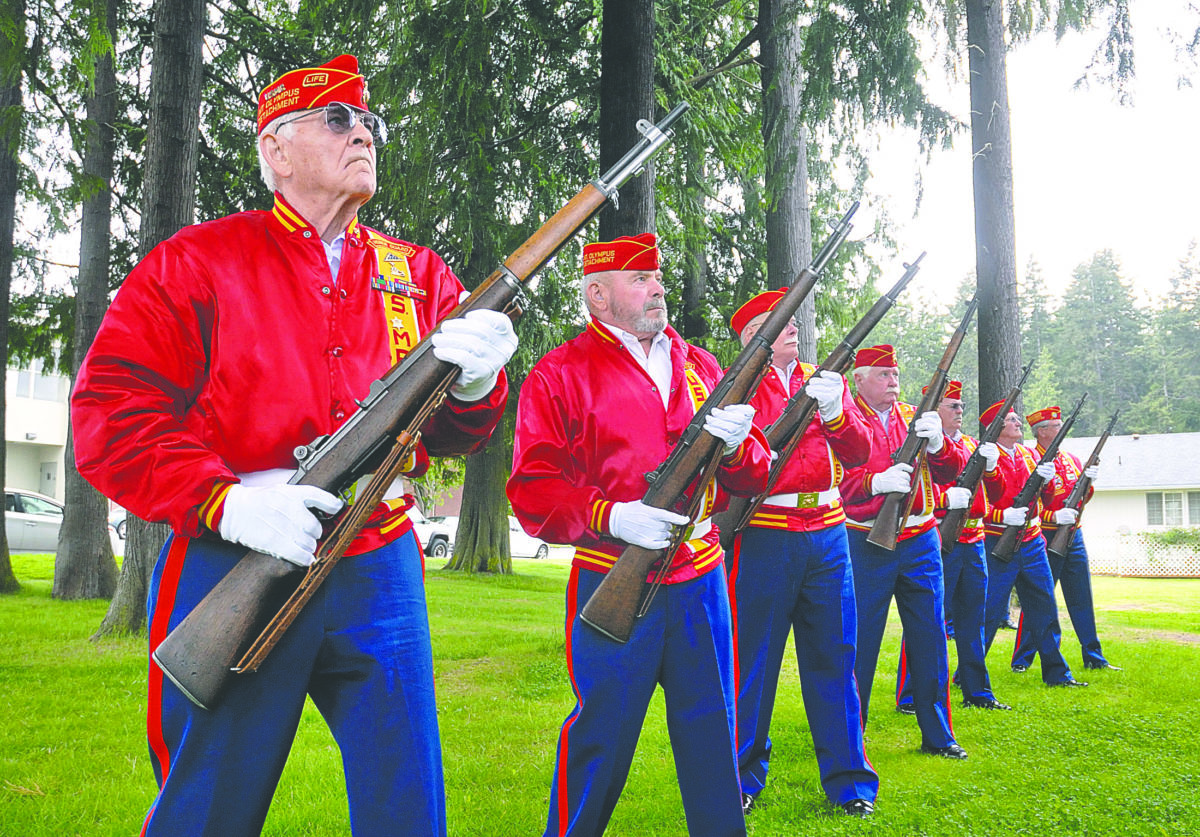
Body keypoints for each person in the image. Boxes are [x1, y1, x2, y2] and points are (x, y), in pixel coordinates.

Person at [71, 55, 517, 836]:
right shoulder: (196, 263)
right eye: (338, 119)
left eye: (370, 122)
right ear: (276, 151)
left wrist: (480, 386)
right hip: (234, 555)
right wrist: (228, 499)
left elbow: (450, 430)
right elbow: (110, 413)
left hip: (379, 557)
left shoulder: (415, 274)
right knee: (209, 801)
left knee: (408, 801)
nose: (363, 134)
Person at [507, 233, 770, 837]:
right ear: (597, 295)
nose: (657, 289)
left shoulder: (702, 365)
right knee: (601, 734)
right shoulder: (558, 374)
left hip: (701, 576)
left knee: (713, 731)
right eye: (639, 279)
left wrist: (736, 446)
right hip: (611, 574)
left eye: (657, 277)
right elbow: (533, 489)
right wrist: (610, 516)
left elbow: (755, 472)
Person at [723, 291, 879, 818]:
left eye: (792, 320)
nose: (792, 327)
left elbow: (860, 454)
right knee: (754, 662)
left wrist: (836, 411)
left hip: (830, 530)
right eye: (777, 322)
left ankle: (850, 782)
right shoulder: (737, 384)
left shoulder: (824, 378)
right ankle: (741, 777)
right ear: (751, 335)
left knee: (836, 657)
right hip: (766, 530)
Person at [841, 345, 970, 759]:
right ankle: (850, 733)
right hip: (866, 541)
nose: (893, 381)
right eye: (882, 375)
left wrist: (940, 446)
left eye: (895, 374)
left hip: (920, 539)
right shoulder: (845, 420)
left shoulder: (916, 417)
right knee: (860, 640)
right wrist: (874, 483)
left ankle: (939, 733)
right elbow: (838, 481)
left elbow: (954, 470)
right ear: (858, 379)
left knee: (930, 636)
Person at [895, 382, 1011, 712]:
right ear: (935, 408)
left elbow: (999, 492)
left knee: (973, 620)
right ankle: (911, 695)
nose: (960, 411)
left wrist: (990, 467)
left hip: (974, 540)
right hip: (938, 539)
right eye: (953, 405)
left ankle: (977, 691)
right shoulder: (922, 446)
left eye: (961, 406)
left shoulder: (974, 445)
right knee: (926, 620)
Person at [978, 401, 1087, 688]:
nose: (1017, 423)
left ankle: (1057, 673)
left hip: (1032, 540)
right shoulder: (987, 458)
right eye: (1011, 419)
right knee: (989, 612)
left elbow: (1046, 497)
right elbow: (976, 505)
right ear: (996, 427)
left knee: (1045, 608)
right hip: (997, 541)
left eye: (1016, 419)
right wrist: (1002, 516)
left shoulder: (1026, 455)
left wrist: (1049, 481)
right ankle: (970, 674)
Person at [1010, 406, 1119, 671]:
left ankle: (1094, 656)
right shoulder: (1031, 459)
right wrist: (1054, 518)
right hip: (1045, 536)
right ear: (1042, 431)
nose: (1061, 429)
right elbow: (1029, 503)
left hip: (1073, 535)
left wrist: (1089, 484)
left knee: (1082, 596)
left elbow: (1080, 498)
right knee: (1040, 598)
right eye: (1056, 425)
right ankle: (1023, 659)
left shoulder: (1070, 459)